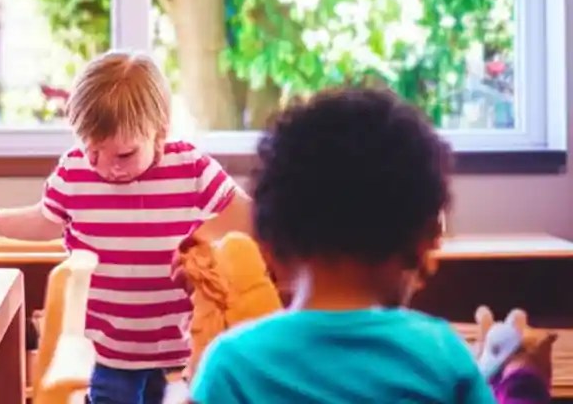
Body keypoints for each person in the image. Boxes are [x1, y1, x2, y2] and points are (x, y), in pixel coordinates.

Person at [0, 50, 251, 404]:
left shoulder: (191, 167)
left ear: (160, 132)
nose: (106, 167)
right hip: (105, 351)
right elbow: (44, 219)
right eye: (92, 150)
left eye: (124, 154)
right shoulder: (75, 171)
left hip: (179, 352)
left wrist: (203, 245)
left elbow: (249, 217)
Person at [189, 87, 494, 403]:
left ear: (270, 244)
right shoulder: (442, 358)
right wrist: (523, 380)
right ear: (424, 241)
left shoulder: (230, 366)